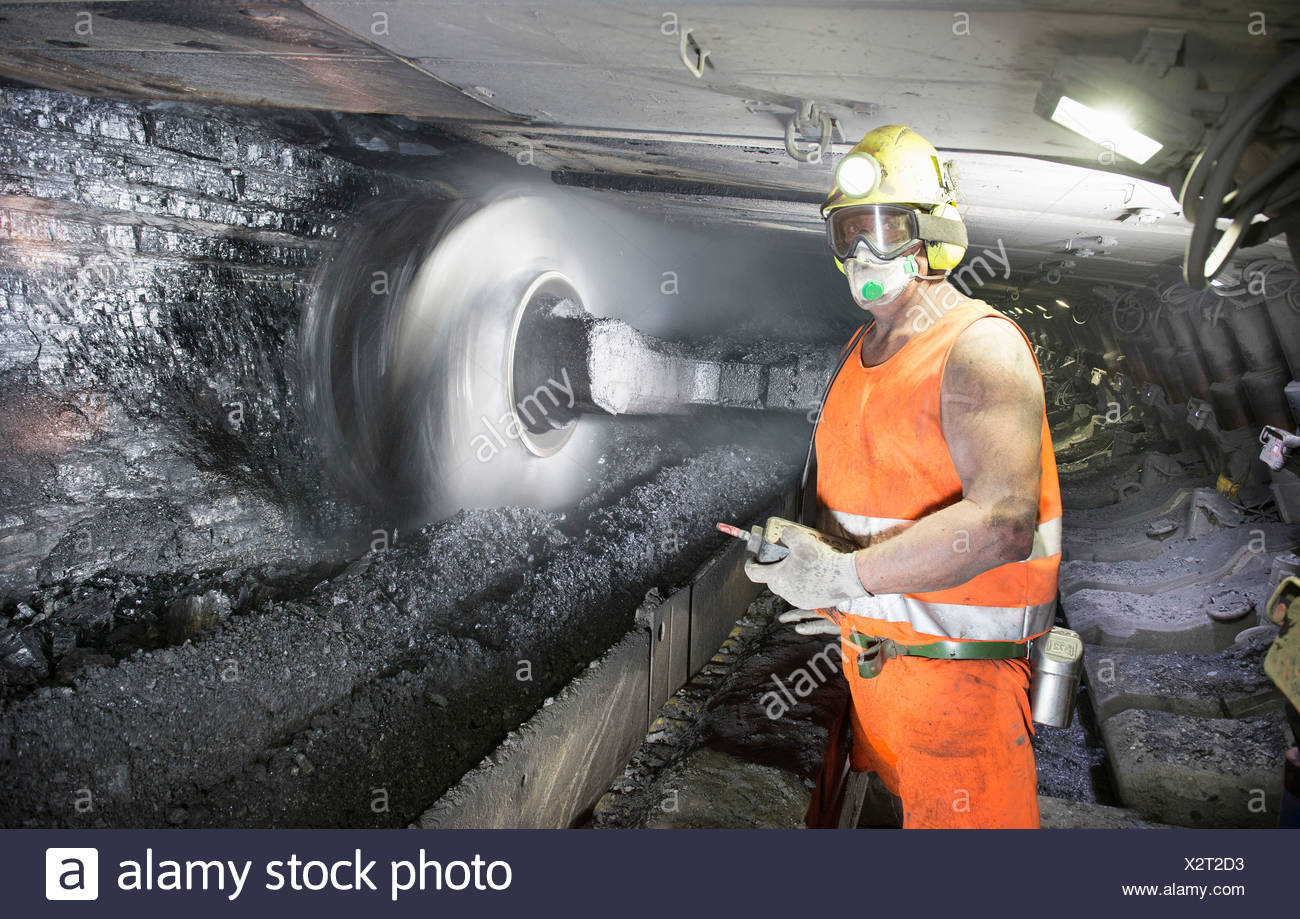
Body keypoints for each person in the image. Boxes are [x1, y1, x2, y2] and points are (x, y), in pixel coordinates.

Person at [746, 125, 1062, 829]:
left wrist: (844, 578)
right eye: (848, 232)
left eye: (884, 228)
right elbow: (879, 505)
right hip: (880, 672)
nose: (863, 251)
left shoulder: (979, 348)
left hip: (963, 691)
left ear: (933, 234)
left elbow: (1003, 521)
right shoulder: (859, 352)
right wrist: (830, 586)